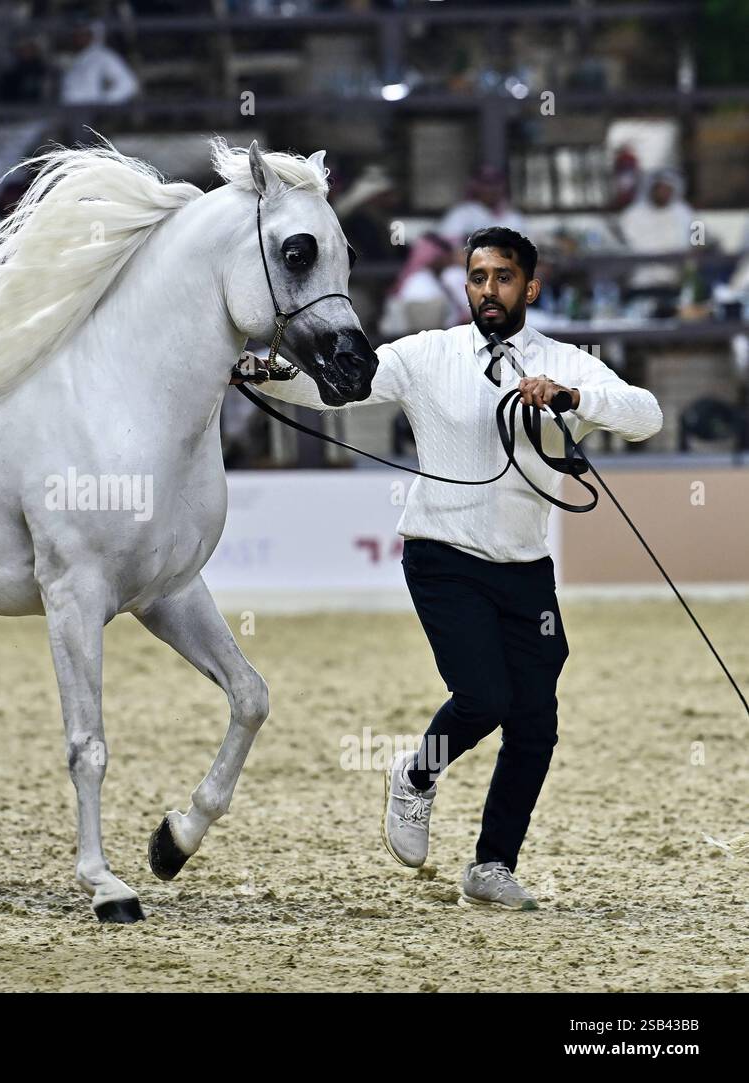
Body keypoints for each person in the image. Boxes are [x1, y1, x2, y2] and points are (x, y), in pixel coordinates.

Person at [240, 226, 663, 909]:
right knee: (484, 698)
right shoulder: (426, 353)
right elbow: (341, 387)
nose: (487, 290)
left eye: (502, 277)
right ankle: (415, 777)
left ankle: (491, 865)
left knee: (536, 723)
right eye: (476, 276)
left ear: (531, 286)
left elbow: (646, 414)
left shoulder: (563, 361)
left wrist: (574, 398)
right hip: (441, 556)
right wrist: (270, 375)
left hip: (526, 570)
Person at [617, 168, 696, 291]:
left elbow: (699, 237)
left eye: (667, 189)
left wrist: (699, 247)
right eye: (660, 188)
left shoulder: (685, 212)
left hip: (676, 280)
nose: (663, 193)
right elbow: (624, 244)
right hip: (642, 280)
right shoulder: (632, 215)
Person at [438, 165, 526, 247]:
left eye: (496, 183)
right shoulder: (462, 213)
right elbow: (446, 247)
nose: (491, 189)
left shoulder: (513, 217)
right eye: (486, 183)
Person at [59, 21, 139, 105]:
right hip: (62, 109)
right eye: (76, 33)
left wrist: (103, 102)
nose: (77, 37)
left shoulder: (102, 55)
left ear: (91, 35)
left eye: (83, 33)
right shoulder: (68, 57)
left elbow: (129, 84)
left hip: (86, 110)